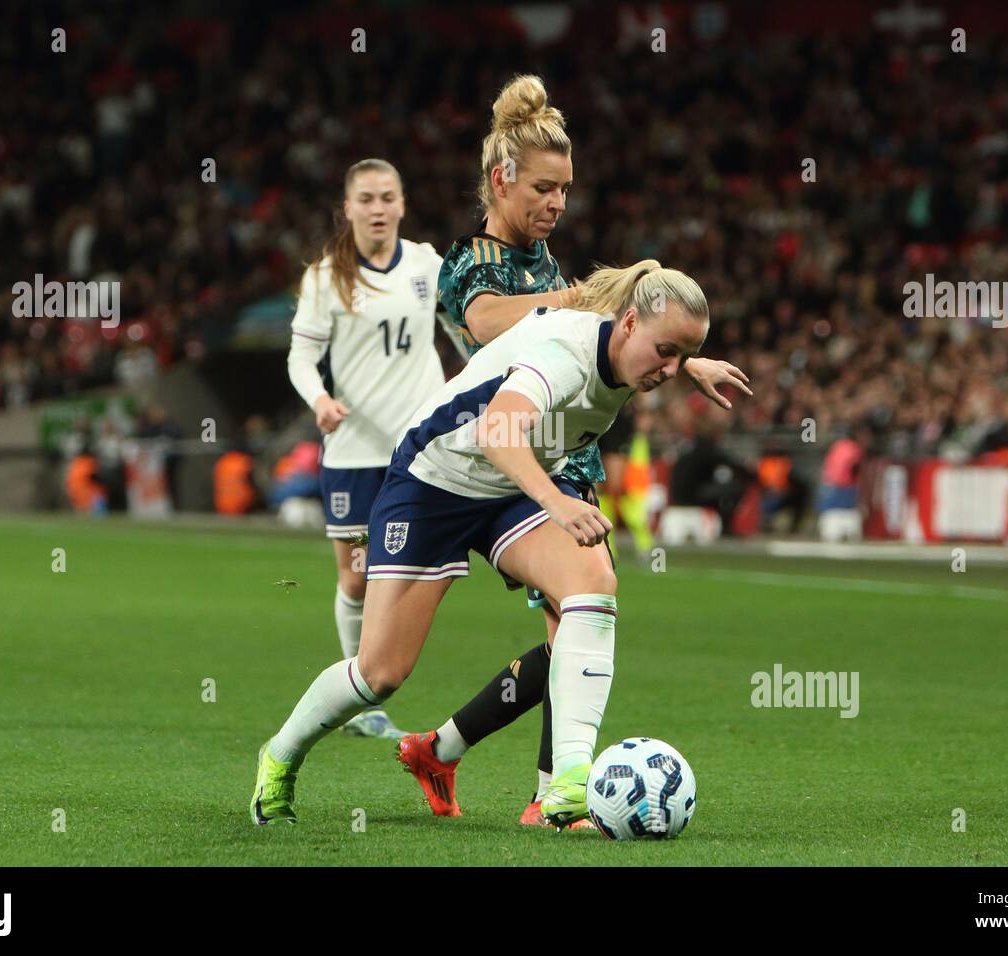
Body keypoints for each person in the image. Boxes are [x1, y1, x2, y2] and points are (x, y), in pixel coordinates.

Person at [393, 75, 750, 826]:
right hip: (512, 460)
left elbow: (614, 340)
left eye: (566, 191)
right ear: (502, 180)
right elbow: (492, 326)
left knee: (577, 624)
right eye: (545, 189)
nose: (557, 204)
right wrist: (588, 293)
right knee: (580, 611)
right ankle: (551, 798)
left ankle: (444, 750)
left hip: (568, 453)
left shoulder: (549, 266)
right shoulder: (470, 263)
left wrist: (683, 360)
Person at [251, 260, 716, 828]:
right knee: (380, 673)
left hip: (512, 489)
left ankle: (569, 783)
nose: (668, 370)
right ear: (628, 322)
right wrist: (560, 502)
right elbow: (498, 430)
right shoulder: (564, 357)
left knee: (594, 585)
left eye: (681, 356)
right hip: (433, 482)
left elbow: (649, 349)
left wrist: (689, 362)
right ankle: (280, 754)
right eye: (665, 350)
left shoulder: (629, 349)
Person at [286, 157, 462, 738]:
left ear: (403, 203)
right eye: (367, 198)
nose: (378, 208)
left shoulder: (427, 265)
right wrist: (319, 400)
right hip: (355, 452)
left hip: (421, 448)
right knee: (359, 578)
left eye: (388, 196)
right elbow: (301, 359)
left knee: (429, 566)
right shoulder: (325, 278)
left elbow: (463, 331)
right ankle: (361, 697)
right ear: (348, 208)